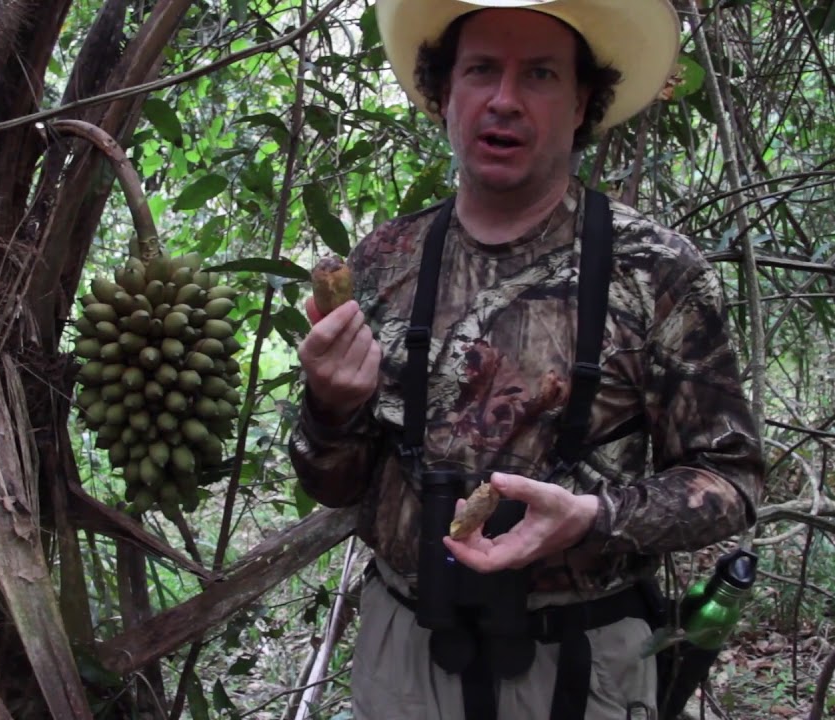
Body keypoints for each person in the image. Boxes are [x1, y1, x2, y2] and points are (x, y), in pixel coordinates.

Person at [287, 1, 766, 718]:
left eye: (539, 74)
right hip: (404, 655)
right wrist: (329, 408)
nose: (504, 100)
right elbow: (336, 484)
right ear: (446, 95)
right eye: (481, 70)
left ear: (579, 103)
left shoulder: (656, 271)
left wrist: (595, 515)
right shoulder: (384, 261)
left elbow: (734, 480)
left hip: (577, 662)